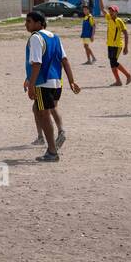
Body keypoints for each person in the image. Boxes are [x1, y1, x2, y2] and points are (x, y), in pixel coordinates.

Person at [24, 11, 81, 162]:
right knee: (38, 109)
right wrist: (71, 81)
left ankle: (52, 151)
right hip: (56, 82)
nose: (26, 24)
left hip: (42, 82)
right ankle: (58, 135)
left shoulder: (36, 37)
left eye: (29, 21)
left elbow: (37, 63)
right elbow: (64, 60)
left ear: (39, 23)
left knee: (43, 115)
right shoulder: (55, 37)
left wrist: (32, 84)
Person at [97, 0, 131, 86]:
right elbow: (101, 9)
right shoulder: (108, 18)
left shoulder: (119, 21)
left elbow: (126, 33)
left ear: (116, 12)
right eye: (110, 11)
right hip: (110, 44)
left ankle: (128, 75)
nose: (110, 12)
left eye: (112, 11)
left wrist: (126, 47)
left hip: (117, 45)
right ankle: (118, 81)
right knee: (112, 63)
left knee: (114, 62)